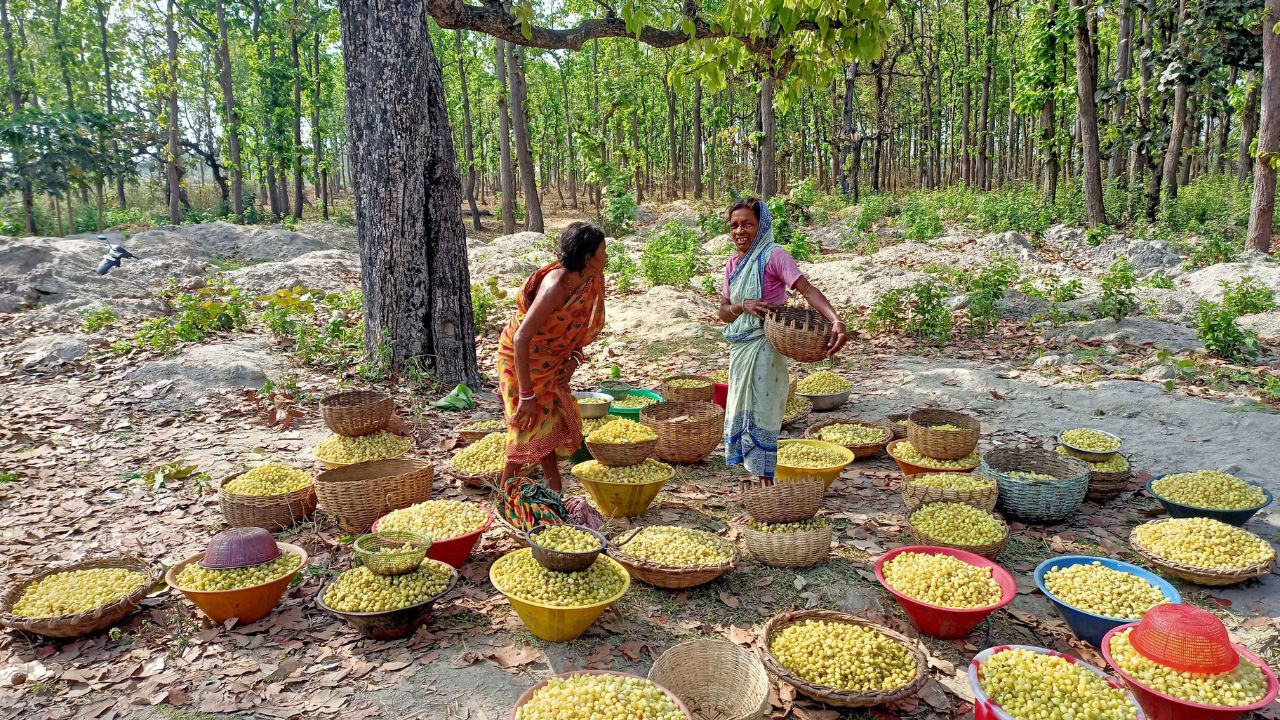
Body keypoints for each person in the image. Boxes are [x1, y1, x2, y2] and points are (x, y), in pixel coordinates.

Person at [719, 198, 847, 481]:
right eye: (734, 225)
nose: (740, 231)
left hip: (766, 345)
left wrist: (835, 319)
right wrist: (743, 306)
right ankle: (757, 479)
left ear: (761, 226)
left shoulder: (774, 255)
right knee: (743, 409)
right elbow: (724, 312)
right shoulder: (732, 265)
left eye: (747, 224)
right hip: (740, 349)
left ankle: (766, 481)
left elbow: (807, 290)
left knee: (763, 410)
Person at [496, 221, 607, 494]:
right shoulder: (555, 286)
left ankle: (553, 491)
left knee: (548, 420)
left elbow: (578, 328)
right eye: (603, 251)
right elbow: (522, 338)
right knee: (526, 426)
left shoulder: (591, 279)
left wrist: (574, 359)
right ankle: (504, 496)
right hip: (520, 358)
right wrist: (526, 395)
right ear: (588, 258)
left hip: (550, 362)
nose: (607, 256)